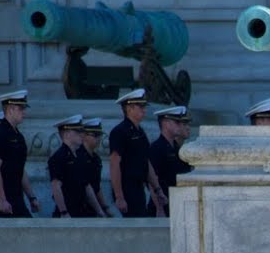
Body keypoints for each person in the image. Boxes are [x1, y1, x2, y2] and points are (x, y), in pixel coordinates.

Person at [109, 89, 167, 217]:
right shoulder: (119, 132)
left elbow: (146, 163)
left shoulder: (140, 132)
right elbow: (114, 163)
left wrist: (157, 189)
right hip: (126, 188)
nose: (144, 110)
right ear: (129, 108)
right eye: (141, 107)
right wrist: (119, 197)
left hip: (138, 187)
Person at [0, 90, 42, 217]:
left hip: (17, 199)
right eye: (20, 108)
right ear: (10, 109)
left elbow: (20, 170)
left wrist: (31, 197)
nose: (24, 112)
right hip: (4, 201)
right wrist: (1, 200)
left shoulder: (18, 136)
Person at [48, 115, 107, 218]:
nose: (82, 135)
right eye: (78, 132)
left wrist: (99, 210)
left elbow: (87, 186)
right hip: (69, 212)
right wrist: (64, 212)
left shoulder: (79, 157)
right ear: (67, 134)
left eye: (82, 131)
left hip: (83, 212)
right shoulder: (59, 157)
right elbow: (56, 186)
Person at [150, 106, 195, 199]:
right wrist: (159, 208)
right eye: (177, 122)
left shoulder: (178, 149)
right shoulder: (156, 148)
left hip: (177, 199)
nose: (180, 126)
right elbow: (152, 180)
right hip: (164, 201)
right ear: (166, 123)